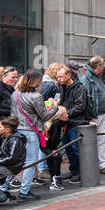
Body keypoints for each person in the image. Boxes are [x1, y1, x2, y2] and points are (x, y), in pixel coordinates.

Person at [12, 69, 62, 201]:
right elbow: (45, 116)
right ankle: (24, 191)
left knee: (16, 160)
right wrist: (55, 106)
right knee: (31, 161)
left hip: (17, 130)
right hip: (30, 131)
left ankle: (4, 187)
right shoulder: (36, 96)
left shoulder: (15, 93)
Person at [48, 64, 90, 188]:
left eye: (61, 77)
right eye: (57, 77)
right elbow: (60, 101)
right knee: (69, 149)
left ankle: (81, 173)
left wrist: (67, 114)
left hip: (75, 122)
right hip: (65, 122)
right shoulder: (61, 87)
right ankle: (74, 171)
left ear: (68, 75)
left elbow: (80, 106)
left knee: (76, 149)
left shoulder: (79, 88)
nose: (58, 79)